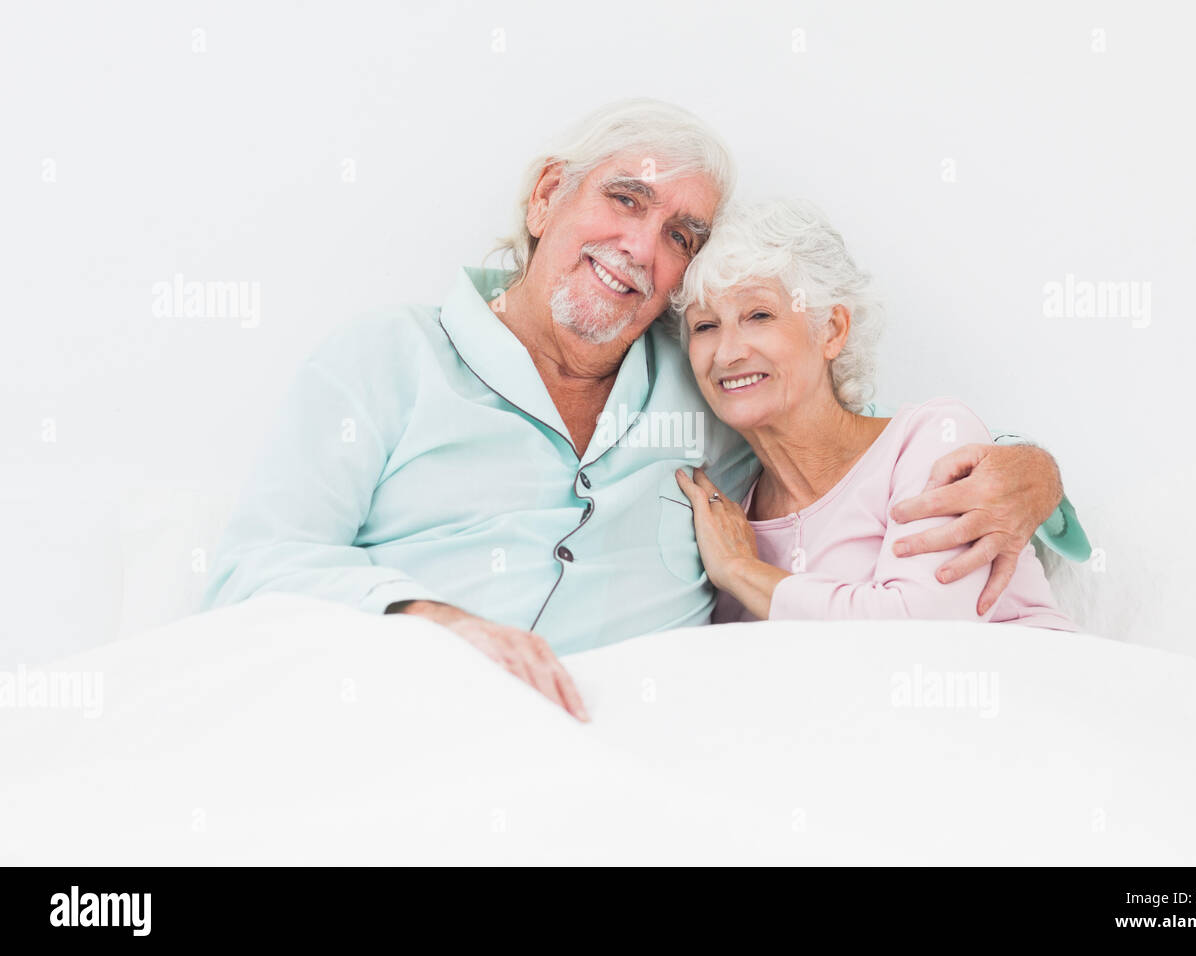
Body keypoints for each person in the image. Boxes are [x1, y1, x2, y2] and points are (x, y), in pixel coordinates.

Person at [203, 100, 1086, 721]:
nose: (640, 245)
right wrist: (427, 622)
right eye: (625, 198)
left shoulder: (709, 386)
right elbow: (254, 567)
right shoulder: (383, 360)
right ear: (548, 195)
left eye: (680, 236)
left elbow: (847, 438)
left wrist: (1029, 470)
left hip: (635, 764)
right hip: (412, 722)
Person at [673, 198, 1075, 629]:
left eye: (759, 315)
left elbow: (921, 628)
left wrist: (740, 571)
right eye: (706, 326)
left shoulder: (931, 439)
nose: (729, 353)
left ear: (832, 329)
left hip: (1030, 688)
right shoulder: (728, 518)